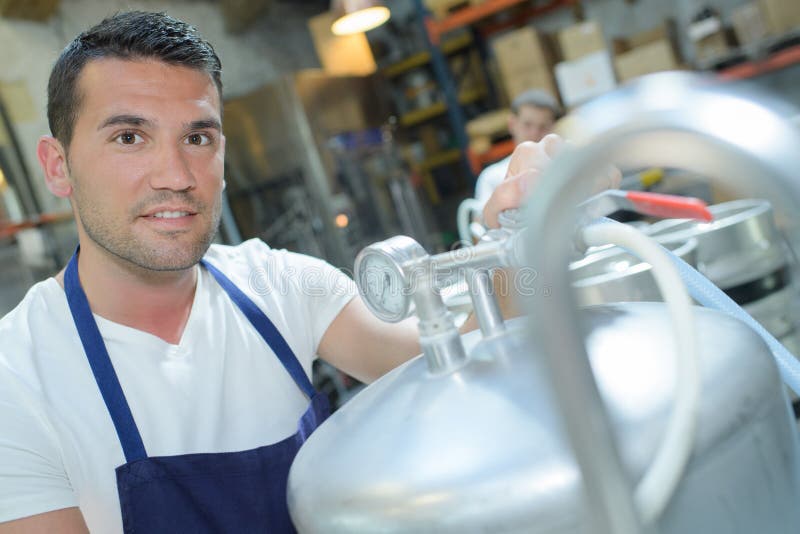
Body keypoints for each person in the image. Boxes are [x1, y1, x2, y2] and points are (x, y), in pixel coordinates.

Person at [0, 11, 543, 534]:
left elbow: (466, 364)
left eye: (197, 138)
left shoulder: (281, 286)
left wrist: (521, 238)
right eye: (129, 137)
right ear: (57, 166)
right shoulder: (17, 380)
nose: (177, 175)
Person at [473, 89, 562, 210]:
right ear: (512, 124)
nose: (534, 133)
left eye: (543, 126)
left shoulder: (565, 168)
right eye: (527, 124)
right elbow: (482, 224)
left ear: (553, 128)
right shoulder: (492, 178)